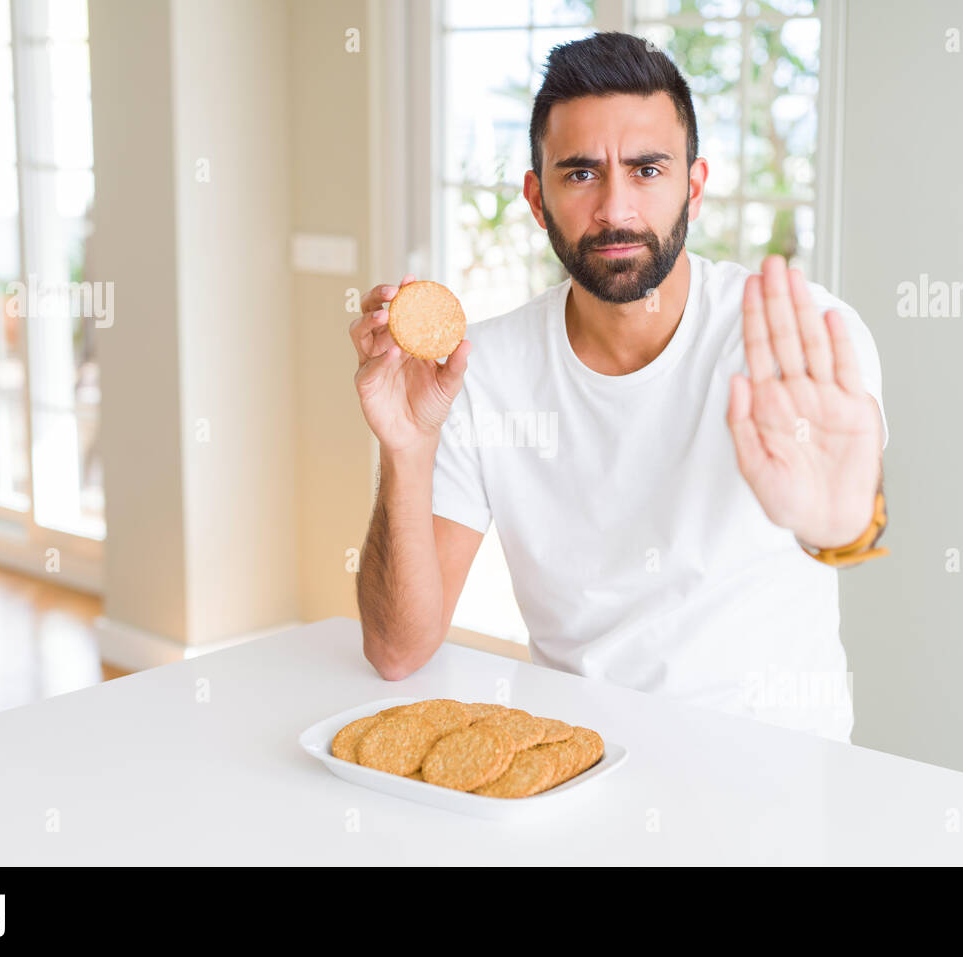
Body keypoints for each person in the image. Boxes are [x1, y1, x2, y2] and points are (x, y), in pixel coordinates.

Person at [348, 32, 888, 743]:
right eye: (580, 174)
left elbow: (844, 520)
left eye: (646, 170)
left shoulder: (797, 337)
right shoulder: (481, 373)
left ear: (692, 186)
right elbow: (398, 651)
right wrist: (406, 451)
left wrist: (842, 526)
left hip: (775, 772)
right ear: (537, 199)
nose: (615, 208)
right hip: (577, 766)